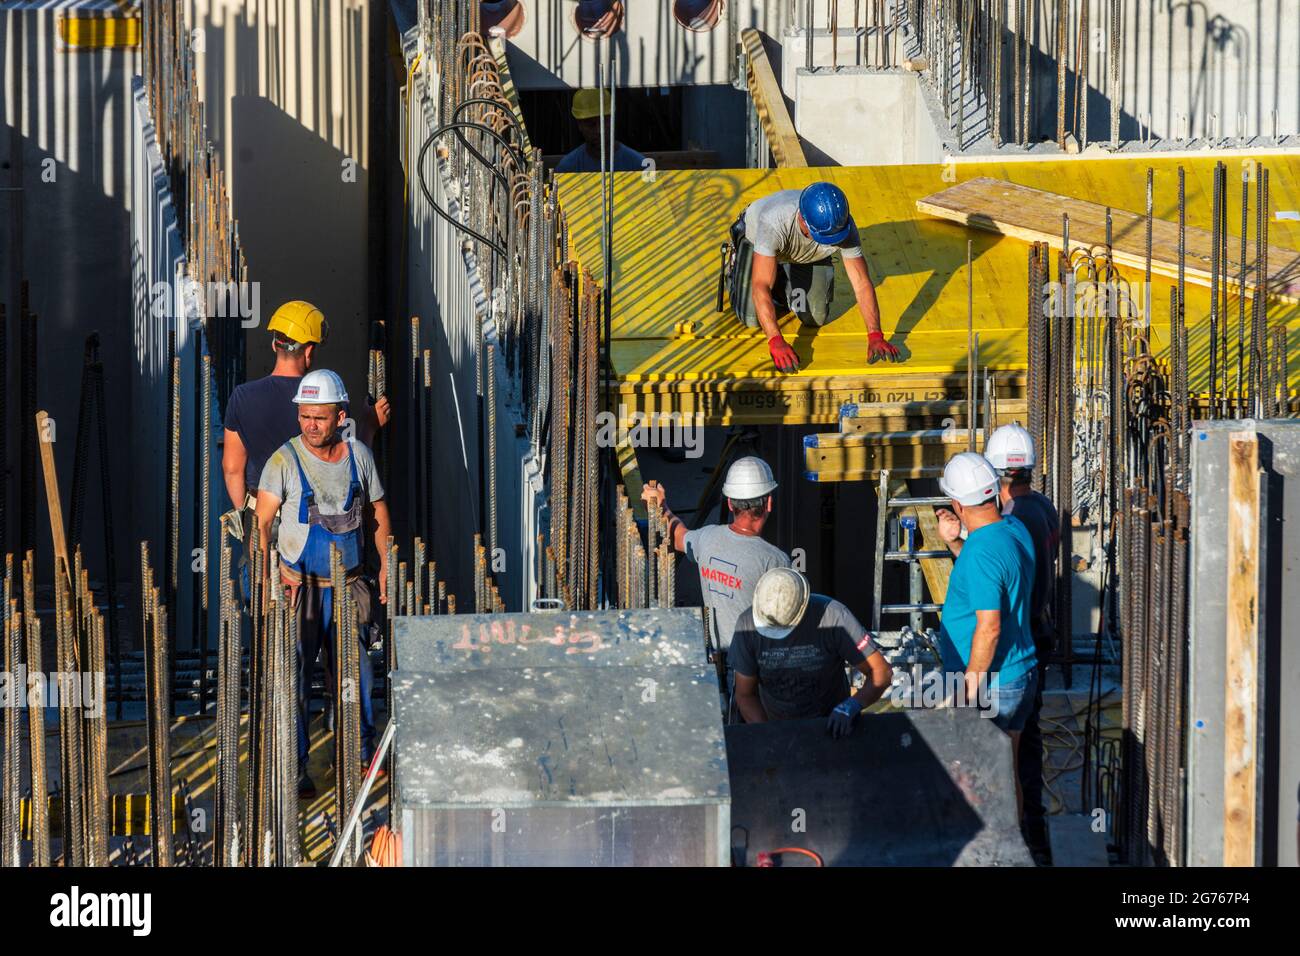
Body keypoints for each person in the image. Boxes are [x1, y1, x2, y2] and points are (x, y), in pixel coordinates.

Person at [254, 369, 391, 796]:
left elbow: (377, 516)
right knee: (293, 679)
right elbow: (260, 525)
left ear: (339, 415)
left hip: (348, 589)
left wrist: (385, 565)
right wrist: (264, 578)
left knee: (357, 677)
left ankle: (359, 756)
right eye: (305, 416)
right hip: (301, 591)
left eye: (320, 417)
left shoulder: (358, 458)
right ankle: (295, 765)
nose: (311, 425)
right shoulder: (283, 461)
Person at [934, 451, 1038, 815]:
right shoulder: (1013, 529)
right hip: (1019, 674)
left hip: (992, 686)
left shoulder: (981, 553)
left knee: (979, 785)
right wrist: (954, 542)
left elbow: (989, 626)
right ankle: (1016, 847)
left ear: (957, 503)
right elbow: (990, 578)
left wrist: (968, 689)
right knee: (1006, 777)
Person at [727, 182, 900, 373]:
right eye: (824, 237)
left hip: (804, 255)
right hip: (755, 239)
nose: (833, 242)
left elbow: (861, 282)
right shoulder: (773, 222)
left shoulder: (841, 225)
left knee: (815, 317)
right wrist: (776, 340)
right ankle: (735, 269)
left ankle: (783, 277)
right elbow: (760, 284)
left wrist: (875, 334)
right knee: (751, 318)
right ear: (802, 220)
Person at [986, 423, 1060, 860]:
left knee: (1013, 743)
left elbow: (1006, 581)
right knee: (1026, 735)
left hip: (1023, 636)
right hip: (1040, 630)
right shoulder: (1046, 507)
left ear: (999, 476)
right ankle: (1034, 828)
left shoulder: (1014, 520)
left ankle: (1026, 835)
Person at [640, 456, 790, 659]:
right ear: (769, 503)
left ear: (729, 503)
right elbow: (786, 629)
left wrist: (661, 506)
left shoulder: (707, 538)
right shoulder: (776, 561)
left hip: (718, 660)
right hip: (756, 668)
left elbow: (677, 537)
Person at [729, 568, 893, 736]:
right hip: (775, 723)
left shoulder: (833, 616)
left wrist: (851, 706)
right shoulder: (747, 625)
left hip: (831, 727)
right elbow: (745, 694)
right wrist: (769, 735)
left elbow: (881, 672)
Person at [554, 89, 647, 174]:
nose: (599, 131)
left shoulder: (639, 165)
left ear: (612, 119)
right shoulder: (567, 168)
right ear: (579, 125)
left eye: (603, 122)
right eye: (591, 124)